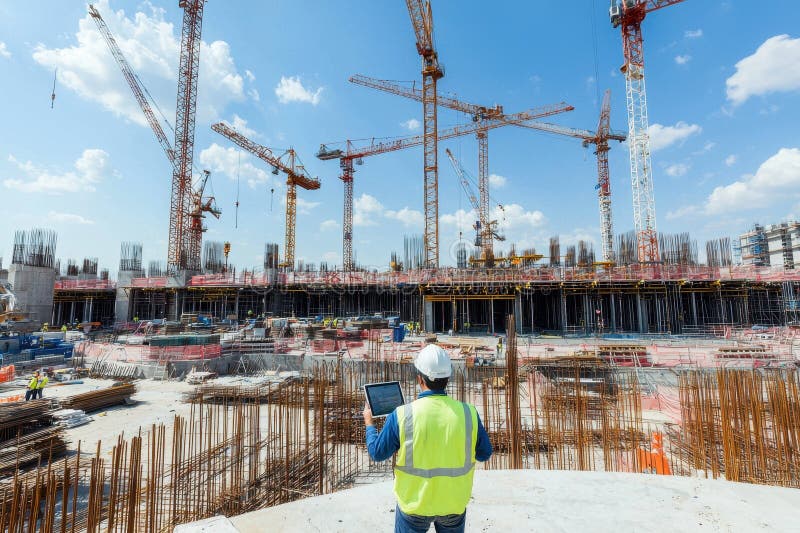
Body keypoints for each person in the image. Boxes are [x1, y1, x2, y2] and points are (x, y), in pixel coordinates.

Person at [364, 344, 492, 533]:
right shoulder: (469, 413)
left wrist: (369, 424)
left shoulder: (402, 414)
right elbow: (484, 454)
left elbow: (377, 452)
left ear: (419, 379)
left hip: (415, 505)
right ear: (448, 378)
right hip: (453, 503)